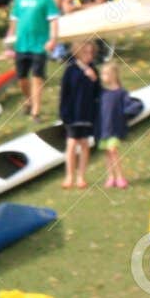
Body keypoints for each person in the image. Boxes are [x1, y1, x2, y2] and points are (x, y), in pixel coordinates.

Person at [7, 0, 60, 118]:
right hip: (22, 44)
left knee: (37, 76)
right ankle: (28, 99)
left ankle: (36, 110)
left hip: (39, 44)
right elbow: (14, 19)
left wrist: (53, 39)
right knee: (22, 78)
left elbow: (54, 20)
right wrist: (9, 40)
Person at [58, 39, 100, 189]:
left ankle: (81, 177)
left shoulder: (93, 69)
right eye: (85, 52)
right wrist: (64, 113)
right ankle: (69, 176)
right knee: (71, 143)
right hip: (72, 113)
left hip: (87, 113)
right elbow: (64, 93)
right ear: (78, 53)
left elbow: (98, 92)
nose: (89, 55)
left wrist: (94, 79)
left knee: (84, 143)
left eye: (91, 52)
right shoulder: (71, 70)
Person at [93, 59, 141, 190]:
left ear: (113, 75)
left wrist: (126, 113)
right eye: (102, 74)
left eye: (105, 74)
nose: (103, 77)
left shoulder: (121, 93)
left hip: (114, 128)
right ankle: (111, 177)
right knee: (107, 153)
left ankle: (120, 177)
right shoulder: (102, 93)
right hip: (103, 129)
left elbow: (132, 106)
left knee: (113, 151)